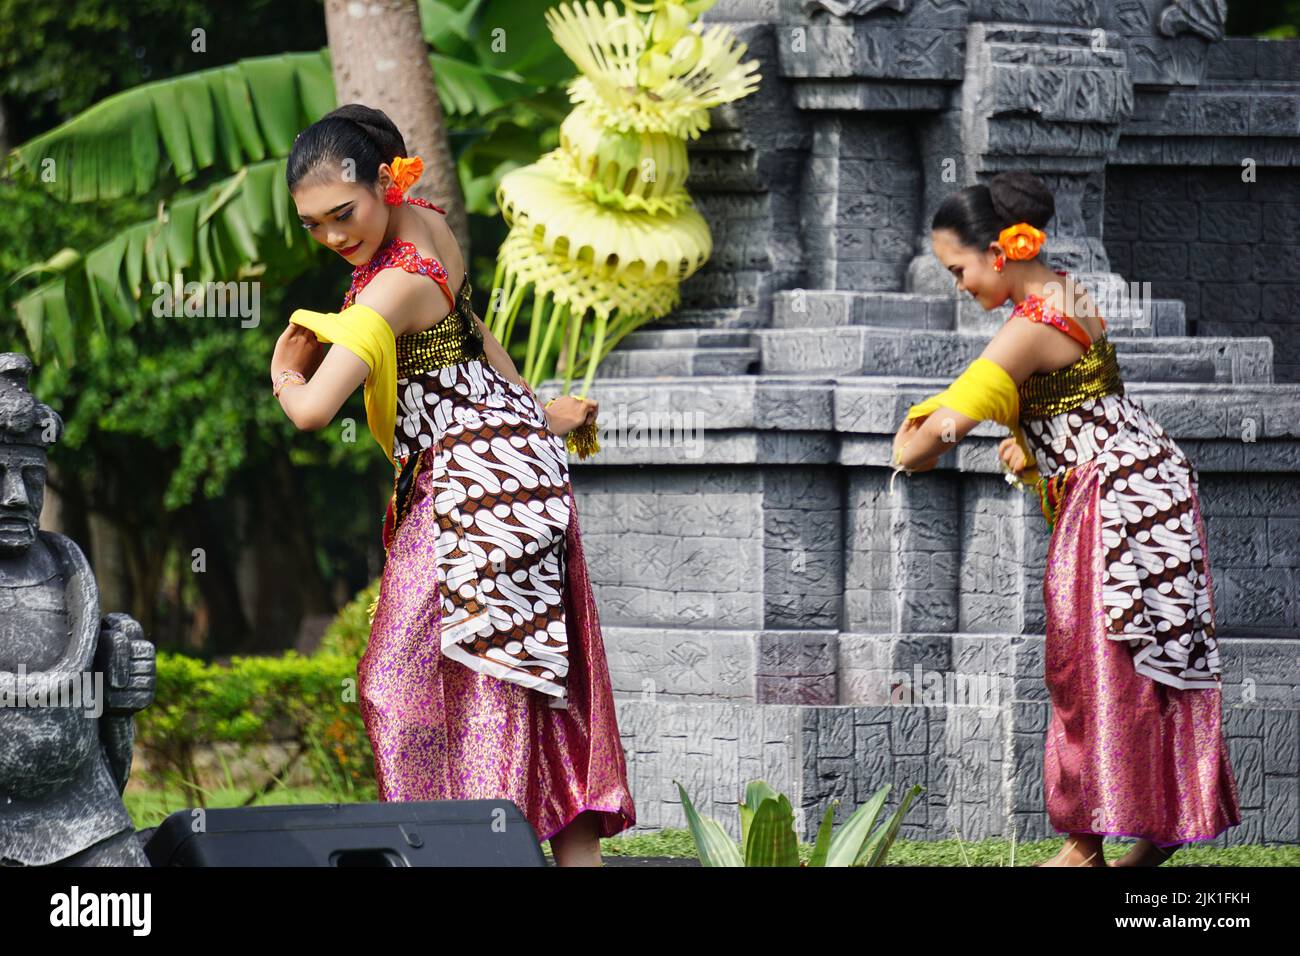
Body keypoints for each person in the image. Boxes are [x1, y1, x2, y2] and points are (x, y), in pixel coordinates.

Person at [269, 103, 635, 866]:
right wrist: (539, 410)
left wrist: (284, 367)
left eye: (344, 214)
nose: (335, 238)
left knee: (398, 691)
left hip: (473, 493)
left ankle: (453, 851)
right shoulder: (426, 225)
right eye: (314, 226)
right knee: (525, 687)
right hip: (518, 472)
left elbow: (310, 411)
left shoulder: (390, 290)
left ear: (385, 181)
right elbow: (474, 333)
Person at [891, 171, 1242, 867]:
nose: (957, 286)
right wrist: (1027, 435)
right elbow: (1075, 399)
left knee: (1088, 667)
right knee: (1144, 665)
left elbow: (936, 435)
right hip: (1150, 488)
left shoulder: (1029, 325)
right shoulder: (1066, 290)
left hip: (1115, 503)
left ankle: (1084, 849)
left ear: (1000, 251)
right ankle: (1153, 837)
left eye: (957, 269)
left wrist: (918, 438)